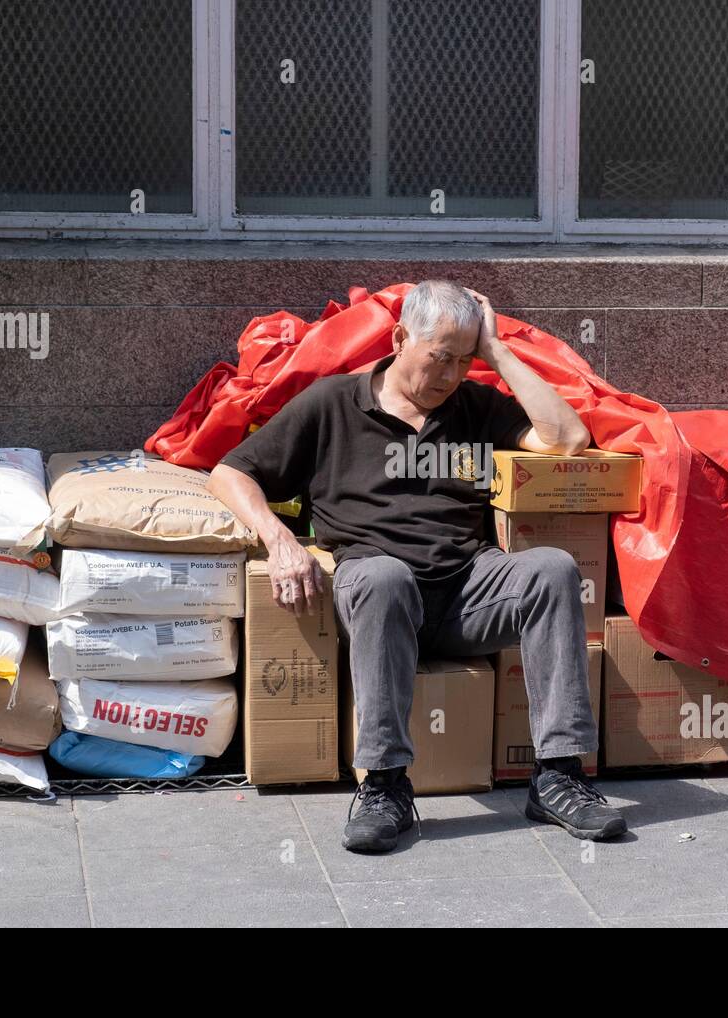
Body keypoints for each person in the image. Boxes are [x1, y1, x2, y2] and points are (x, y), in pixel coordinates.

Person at [208, 280, 626, 853]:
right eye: (439, 358)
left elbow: (568, 438)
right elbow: (229, 473)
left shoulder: (476, 406)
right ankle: (384, 786)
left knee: (552, 569)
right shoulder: (332, 403)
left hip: (467, 591)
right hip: (378, 587)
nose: (451, 375)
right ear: (402, 338)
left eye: (463, 359)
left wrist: (497, 353)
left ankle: (559, 776)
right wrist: (281, 541)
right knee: (384, 577)